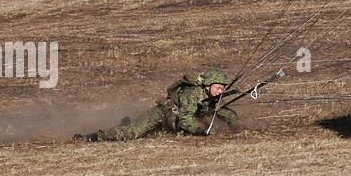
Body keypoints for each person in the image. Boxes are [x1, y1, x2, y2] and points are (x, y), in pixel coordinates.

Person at [78, 68, 239, 141]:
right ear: (208, 85)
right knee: (131, 133)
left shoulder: (214, 98)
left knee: (149, 137)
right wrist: (200, 132)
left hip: (171, 121)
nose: (220, 92)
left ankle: (126, 123)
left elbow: (226, 114)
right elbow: (185, 120)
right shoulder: (193, 94)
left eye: (222, 89)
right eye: (218, 88)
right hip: (161, 114)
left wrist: (237, 128)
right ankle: (92, 137)